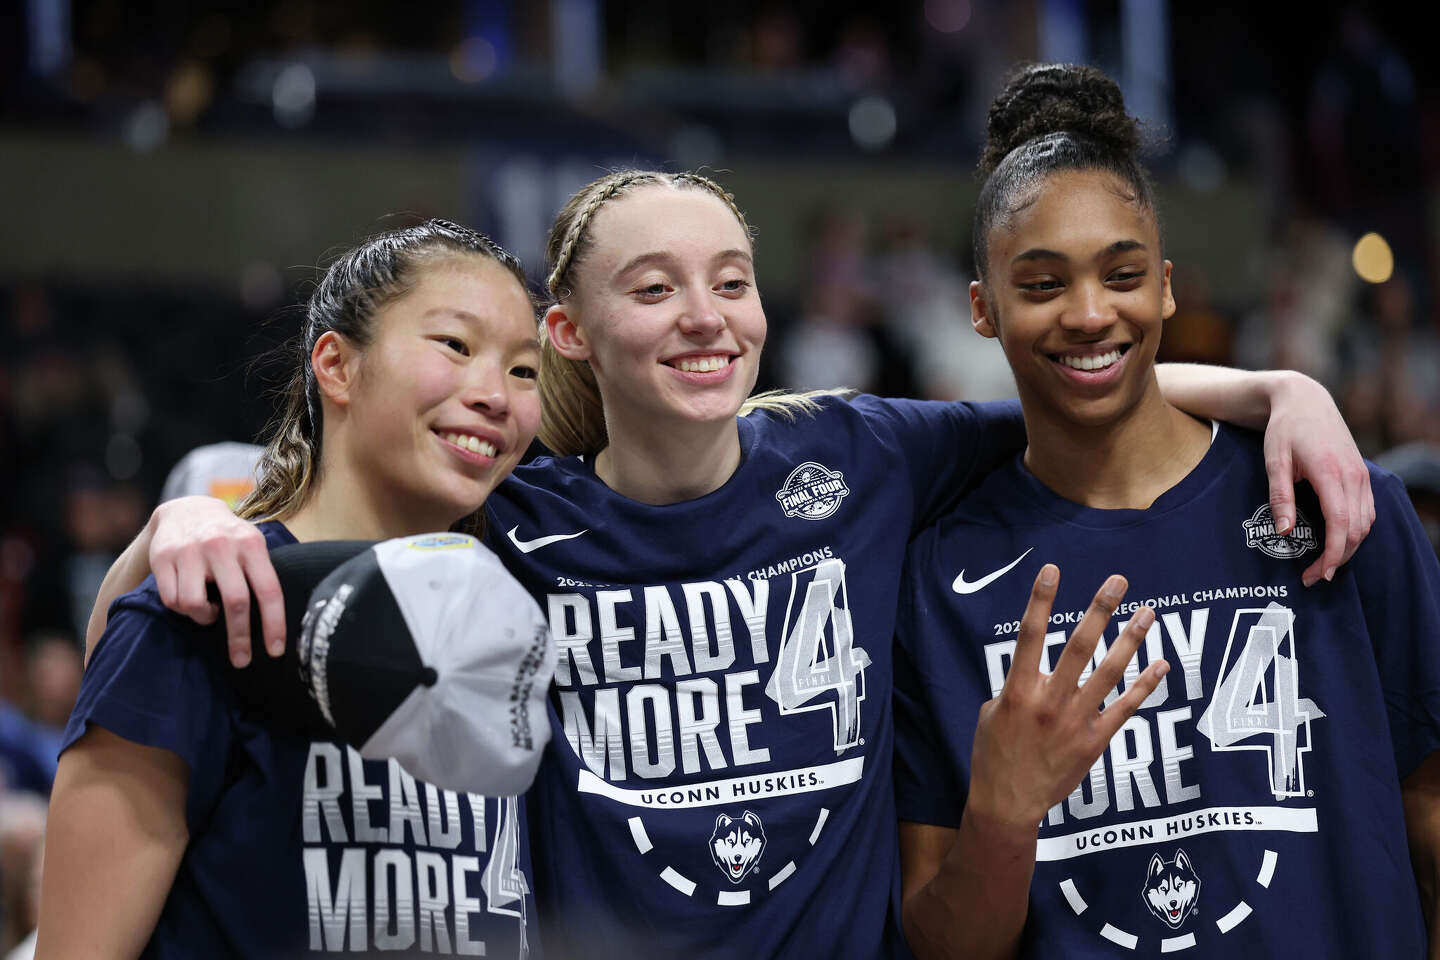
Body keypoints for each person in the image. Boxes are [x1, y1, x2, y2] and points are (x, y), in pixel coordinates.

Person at [91, 170, 1374, 959]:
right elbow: (285, 529)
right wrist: (182, 524)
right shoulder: (508, 517)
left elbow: (1077, 395)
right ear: (570, 334)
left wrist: (1277, 388)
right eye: (653, 289)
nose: (705, 316)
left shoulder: (862, 452)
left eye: (732, 281)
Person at [894, 63, 1440, 959]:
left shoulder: (1338, 502)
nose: (1089, 313)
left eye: (1123, 274)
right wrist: (1001, 815)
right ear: (982, 310)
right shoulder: (938, 579)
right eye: (1042, 285)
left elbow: (1431, 828)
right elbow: (945, 943)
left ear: (1167, 287)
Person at [38, 219, 546, 958]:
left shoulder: (511, 618)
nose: (496, 394)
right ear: (336, 366)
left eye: (525, 370)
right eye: (455, 345)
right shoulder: (200, 610)